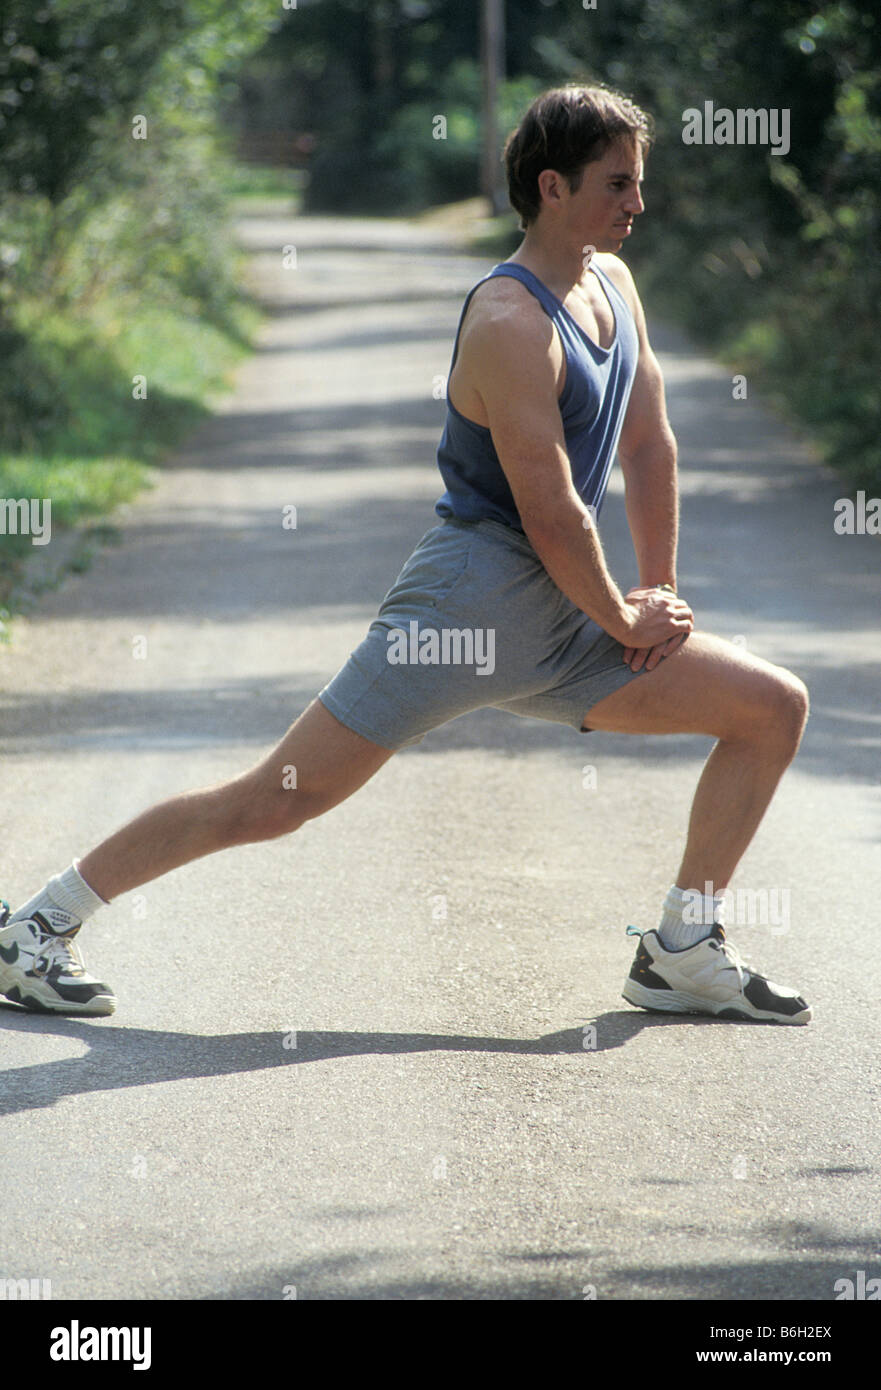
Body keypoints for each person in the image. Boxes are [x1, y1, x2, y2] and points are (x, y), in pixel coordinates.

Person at [0, 84, 810, 1024]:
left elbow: (648, 443)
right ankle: (34, 927)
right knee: (275, 800)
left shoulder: (612, 284)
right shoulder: (510, 322)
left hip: (569, 612)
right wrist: (621, 615)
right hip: (468, 606)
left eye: (639, 182)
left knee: (770, 705)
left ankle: (679, 948)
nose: (637, 203)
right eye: (617, 184)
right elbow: (550, 512)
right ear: (551, 186)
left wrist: (656, 593)